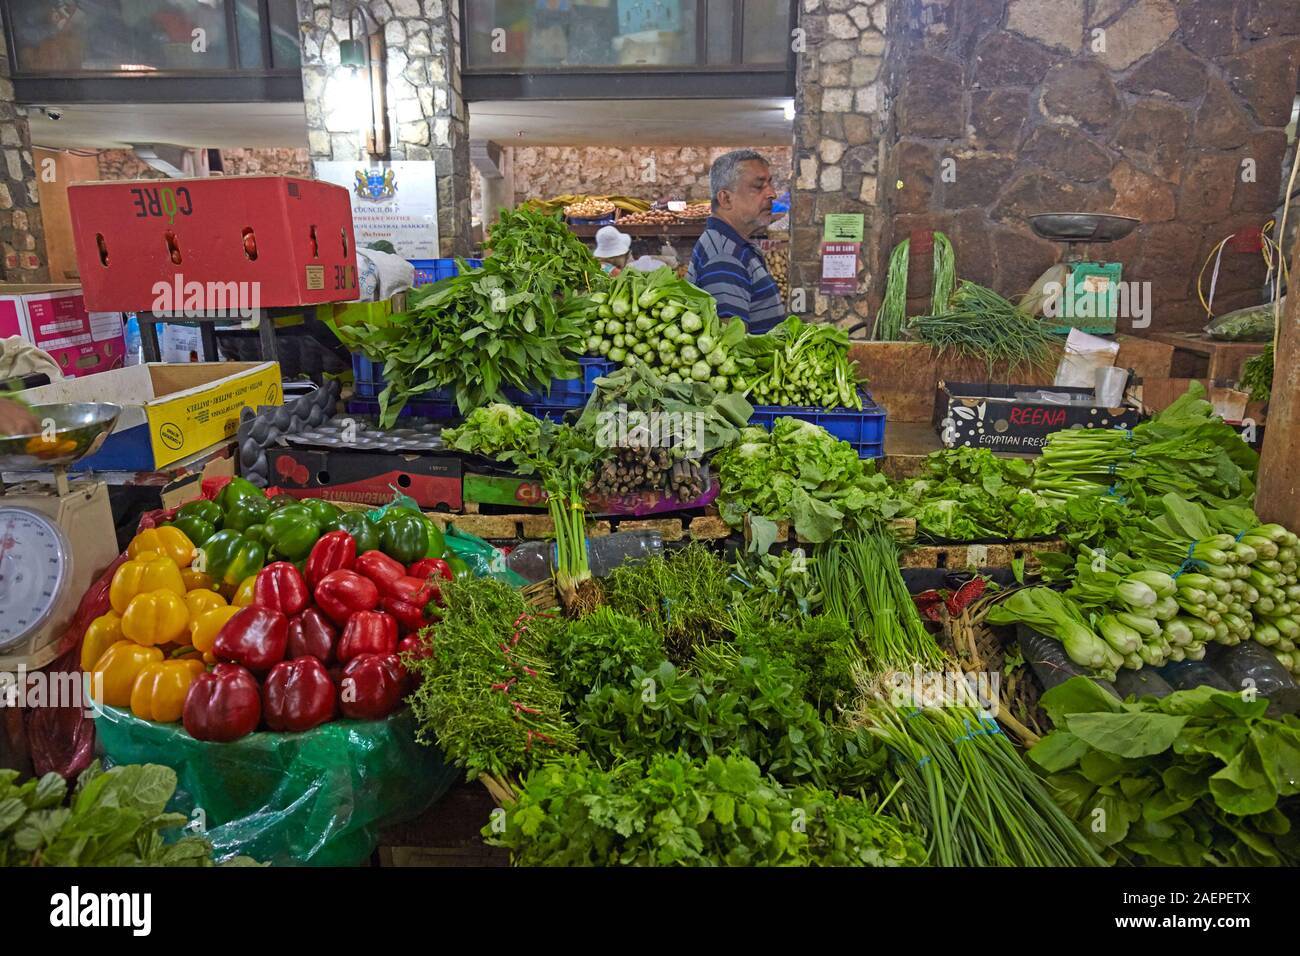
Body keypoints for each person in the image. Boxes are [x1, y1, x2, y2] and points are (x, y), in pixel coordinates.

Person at [687, 149, 785, 333]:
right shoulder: (724, 258)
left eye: (770, 184)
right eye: (758, 186)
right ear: (725, 199)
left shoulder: (734, 247)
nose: (772, 194)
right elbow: (731, 342)